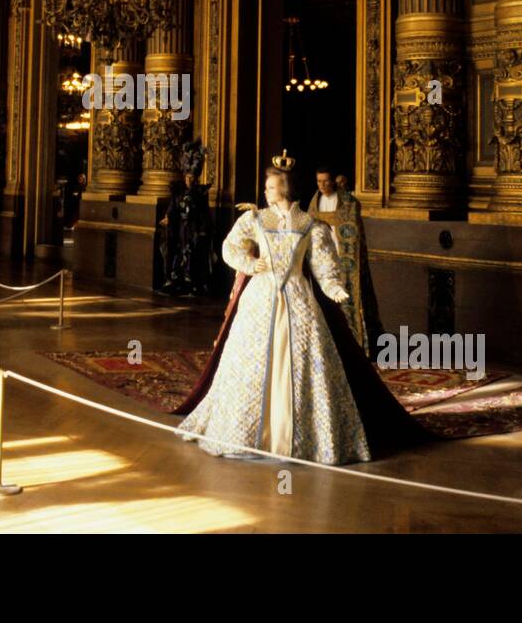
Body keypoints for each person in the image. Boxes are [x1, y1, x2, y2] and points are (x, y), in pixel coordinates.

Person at [177, 150, 427, 464]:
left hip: (297, 298)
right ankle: (243, 432)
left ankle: (302, 437)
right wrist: (250, 264)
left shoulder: (310, 225)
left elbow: (323, 265)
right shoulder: (254, 219)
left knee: (305, 361)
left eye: (270, 187)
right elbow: (229, 247)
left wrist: (335, 288)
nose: (265, 192)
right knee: (249, 362)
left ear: (284, 189)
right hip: (260, 298)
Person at [308, 165, 384, 354]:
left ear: (333, 180)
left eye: (326, 181)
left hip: (344, 255)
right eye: (319, 181)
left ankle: (356, 340)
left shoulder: (348, 202)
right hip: (324, 256)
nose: (322, 185)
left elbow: (353, 231)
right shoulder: (314, 203)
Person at [158, 139, 216, 295]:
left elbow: (204, 212)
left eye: (192, 177)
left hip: (195, 228)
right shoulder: (177, 192)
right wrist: (169, 217)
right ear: (184, 177)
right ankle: (175, 280)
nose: (190, 180)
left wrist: (204, 229)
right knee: (176, 251)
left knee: (193, 253)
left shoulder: (201, 193)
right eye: (188, 177)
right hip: (180, 227)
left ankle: (193, 282)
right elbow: (173, 208)